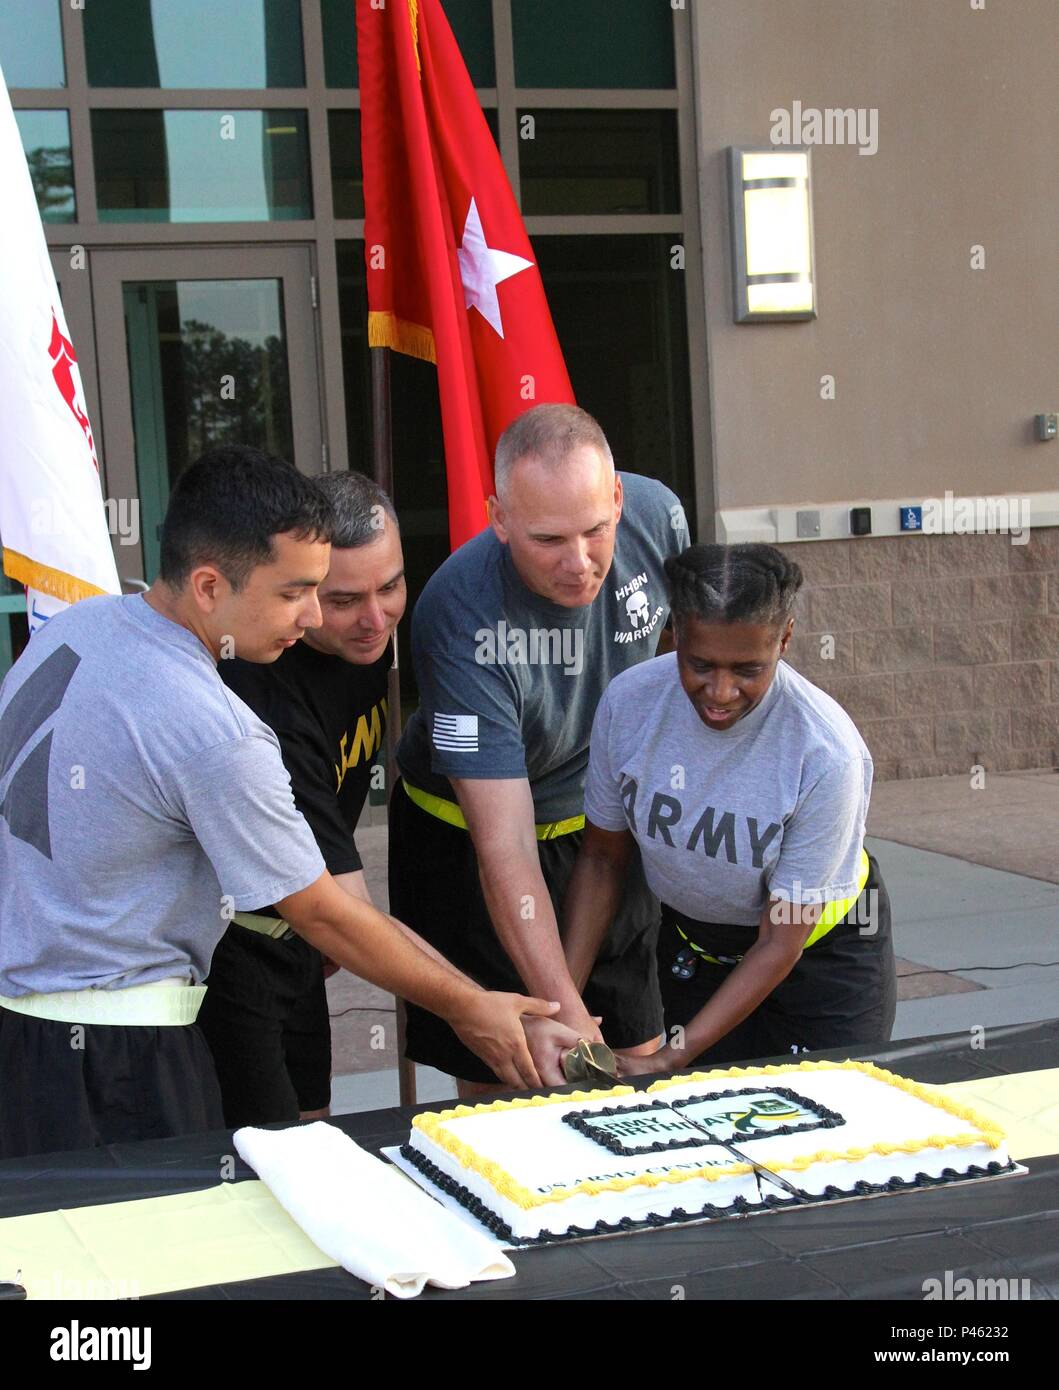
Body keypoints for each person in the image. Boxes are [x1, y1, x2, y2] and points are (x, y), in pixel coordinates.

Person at [0, 447, 561, 1160]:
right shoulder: (216, 728)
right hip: (123, 1057)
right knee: (183, 1265)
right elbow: (326, 911)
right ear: (208, 585)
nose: (310, 615)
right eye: (294, 591)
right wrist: (469, 1006)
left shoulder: (73, 629)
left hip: (19, 1031)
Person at [389, 402, 690, 1095]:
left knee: (638, 1063)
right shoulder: (458, 616)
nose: (579, 563)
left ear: (617, 498)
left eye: (595, 530)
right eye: (548, 539)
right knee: (518, 1083)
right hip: (471, 839)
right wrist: (570, 1017)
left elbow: (685, 651)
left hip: (598, 828)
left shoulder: (659, 517)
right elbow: (505, 849)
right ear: (498, 518)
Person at [562, 542, 896, 1076]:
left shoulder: (826, 752)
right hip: (699, 949)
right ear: (674, 634)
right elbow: (602, 860)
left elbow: (779, 941)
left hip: (817, 965)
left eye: (747, 669)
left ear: (784, 638)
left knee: (813, 1138)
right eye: (699, 664)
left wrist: (670, 1056)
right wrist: (565, 1006)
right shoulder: (628, 705)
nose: (720, 691)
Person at [198, 470, 401, 1126]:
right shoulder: (259, 692)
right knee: (267, 1151)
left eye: (391, 586)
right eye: (342, 599)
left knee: (314, 1119)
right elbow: (344, 911)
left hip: (300, 938)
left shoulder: (363, 637)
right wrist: (478, 1007)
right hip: (233, 948)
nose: (374, 620)